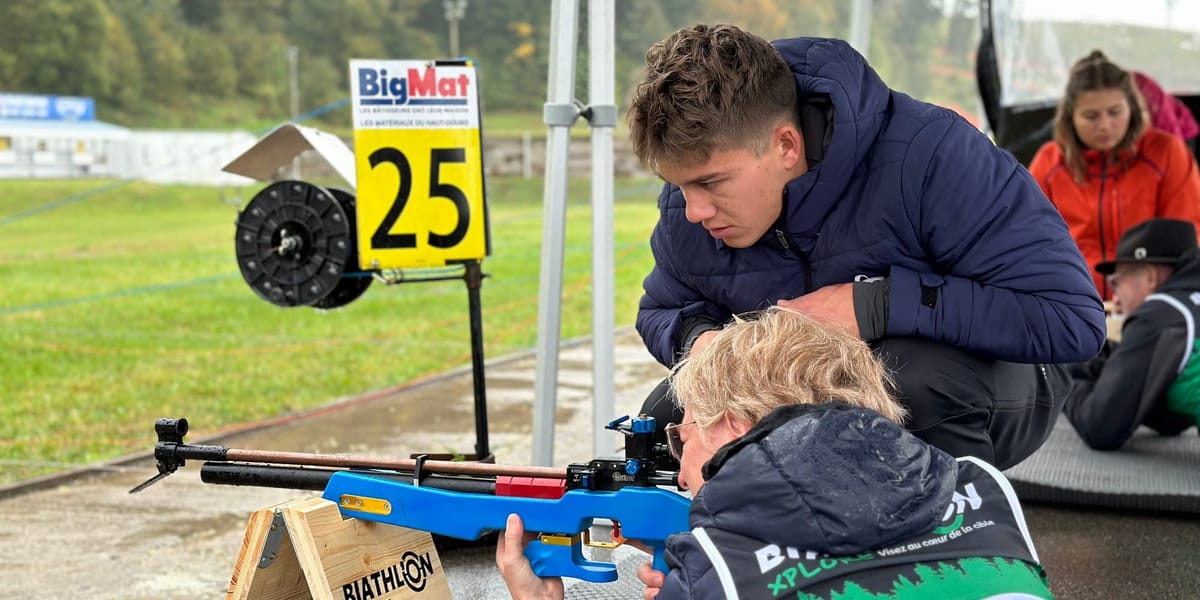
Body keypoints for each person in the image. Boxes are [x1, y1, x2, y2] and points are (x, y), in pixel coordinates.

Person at [627, 24, 1105, 470]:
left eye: (711, 183)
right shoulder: (688, 202)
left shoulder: (936, 154)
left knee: (911, 385)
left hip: (995, 378)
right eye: (680, 186)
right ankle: (720, 557)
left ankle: (947, 545)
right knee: (667, 415)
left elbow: (1071, 322)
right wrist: (703, 344)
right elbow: (663, 310)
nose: (693, 212)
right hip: (807, 379)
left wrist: (876, 305)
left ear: (787, 146)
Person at [497, 308, 1053, 599]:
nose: (680, 461)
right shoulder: (984, 491)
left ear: (731, 428)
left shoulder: (722, 574)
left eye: (682, 435)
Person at [1029, 51, 1200, 301]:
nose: (1105, 125)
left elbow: (1186, 236)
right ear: (1070, 117)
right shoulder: (1049, 162)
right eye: (1091, 116)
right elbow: (1029, 239)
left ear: (1132, 109)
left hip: (1152, 302)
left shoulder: (1168, 153)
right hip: (1073, 301)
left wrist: (1148, 296)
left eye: (1115, 112)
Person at [1064, 218, 1200, 450]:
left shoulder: (1160, 316)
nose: (1115, 299)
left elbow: (1099, 428)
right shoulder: (1187, 310)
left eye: (1117, 282)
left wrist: (1072, 365)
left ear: (1149, 277)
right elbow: (1172, 421)